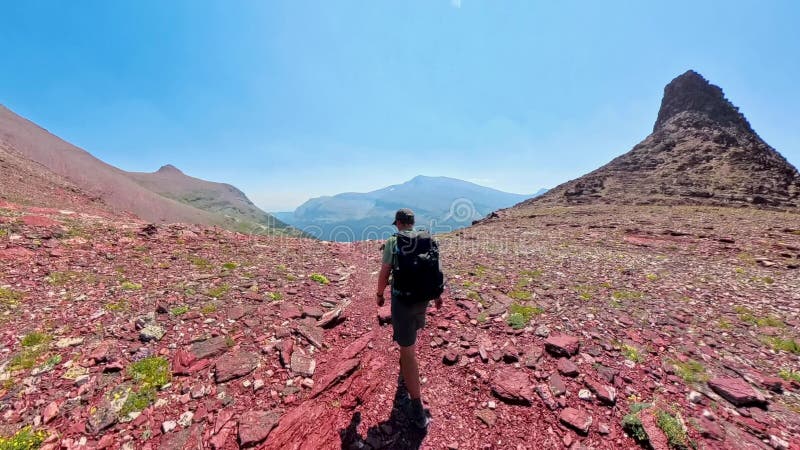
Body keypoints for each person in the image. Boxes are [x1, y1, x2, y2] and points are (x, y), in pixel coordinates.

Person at [376, 208, 444, 429]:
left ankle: (416, 406)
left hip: (402, 300)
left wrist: (379, 295)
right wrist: (437, 297)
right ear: (413, 223)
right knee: (412, 335)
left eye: (396, 223)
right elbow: (435, 270)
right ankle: (405, 367)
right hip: (422, 299)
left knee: (408, 351)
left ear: (397, 223)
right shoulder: (426, 238)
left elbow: (385, 273)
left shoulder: (392, 242)